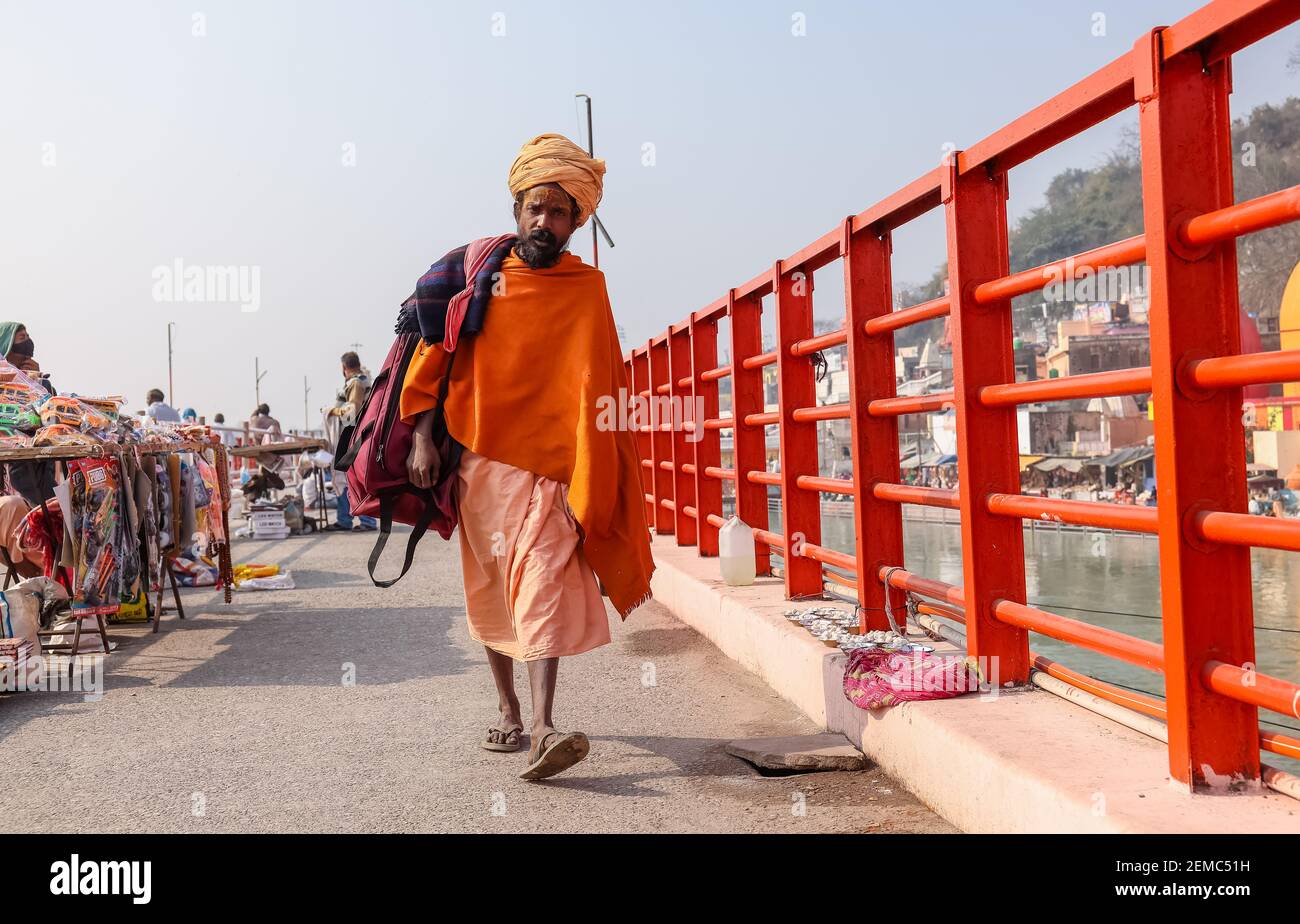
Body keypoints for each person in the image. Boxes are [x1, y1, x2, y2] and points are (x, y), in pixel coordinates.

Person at [400, 133, 653, 781]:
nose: (546, 221)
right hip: (480, 463)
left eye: (560, 212)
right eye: (536, 208)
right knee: (494, 590)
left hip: (554, 472)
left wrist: (602, 472)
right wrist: (425, 438)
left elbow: (601, 383)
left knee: (542, 582)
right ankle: (509, 710)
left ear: (577, 221)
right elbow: (433, 358)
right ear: (517, 211)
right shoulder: (480, 280)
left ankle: (543, 725)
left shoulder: (587, 289)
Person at [325, 351, 375, 532]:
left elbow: (351, 411)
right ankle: (347, 519)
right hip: (361, 436)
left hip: (354, 437)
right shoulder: (364, 380)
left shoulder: (355, 383)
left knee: (352, 478)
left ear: (344, 368)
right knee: (351, 478)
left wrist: (332, 411)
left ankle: (362, 520)